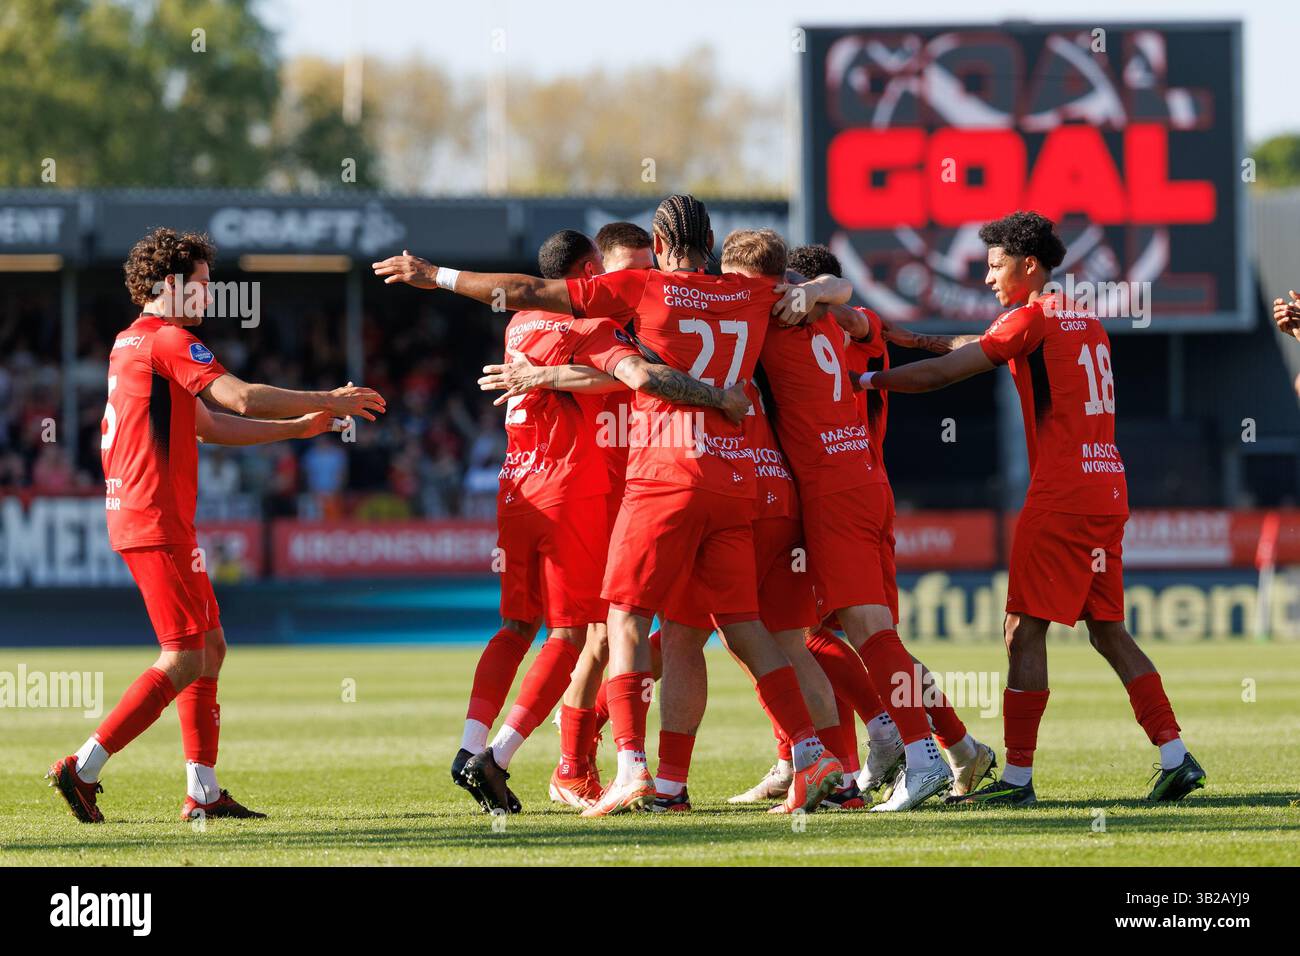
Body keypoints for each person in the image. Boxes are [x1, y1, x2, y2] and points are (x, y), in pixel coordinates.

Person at [375, 195, 845, 817]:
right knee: (744, 627)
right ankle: (813, 754)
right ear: (709, 240)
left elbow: (525, 290)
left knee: (620, 619)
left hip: (664, 478)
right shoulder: (748, 293)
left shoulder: (642, 289)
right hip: (733, 484)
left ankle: (631, 768)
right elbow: (839, 289)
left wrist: (436, 276)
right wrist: (816, 292)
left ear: (660, 239)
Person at [863, 211, 1204, 805]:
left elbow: (948, 373)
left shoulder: (1032, 318)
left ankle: (1017, 779)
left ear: (1028, 265)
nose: (989, 278)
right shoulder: (1083, 319)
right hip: (1107, 486)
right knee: (1109, 631)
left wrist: (867, 382)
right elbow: (993, 346)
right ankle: (1175, 755)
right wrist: (922, 342)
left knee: (1023, 630)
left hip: (1063, 494)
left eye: (996, 266)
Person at [48, 227, 384, 823]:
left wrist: (299, 428)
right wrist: (331, 400)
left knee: (209, 648)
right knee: (182, 655)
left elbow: (206, 424)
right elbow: (243, 398)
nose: (209, 296)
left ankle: (202, 792)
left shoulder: (131, 342)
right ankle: (84, 766)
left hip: (152, 515)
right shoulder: (170, 340)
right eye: (203, 285)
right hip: (154, 518)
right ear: (172, 286)